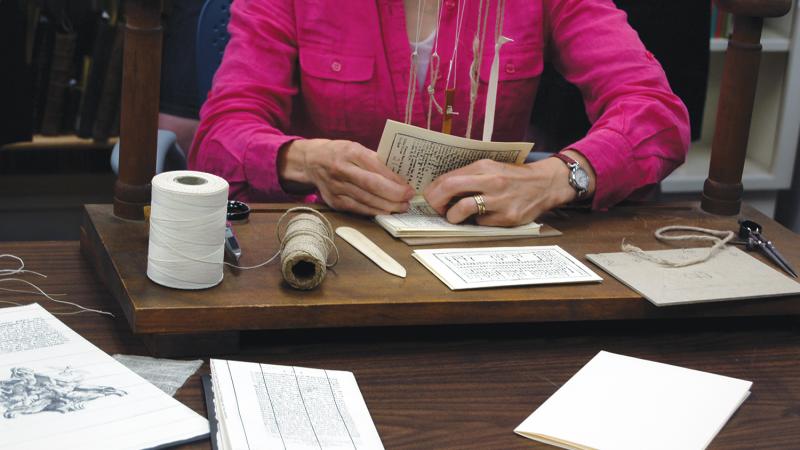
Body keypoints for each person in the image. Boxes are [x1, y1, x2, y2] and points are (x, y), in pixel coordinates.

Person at [189, 0, 690, 227]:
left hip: (493, 252)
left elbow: (656, 115)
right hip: (336, 247)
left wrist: (560, 177)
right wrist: (304, 160)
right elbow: (218, 138)